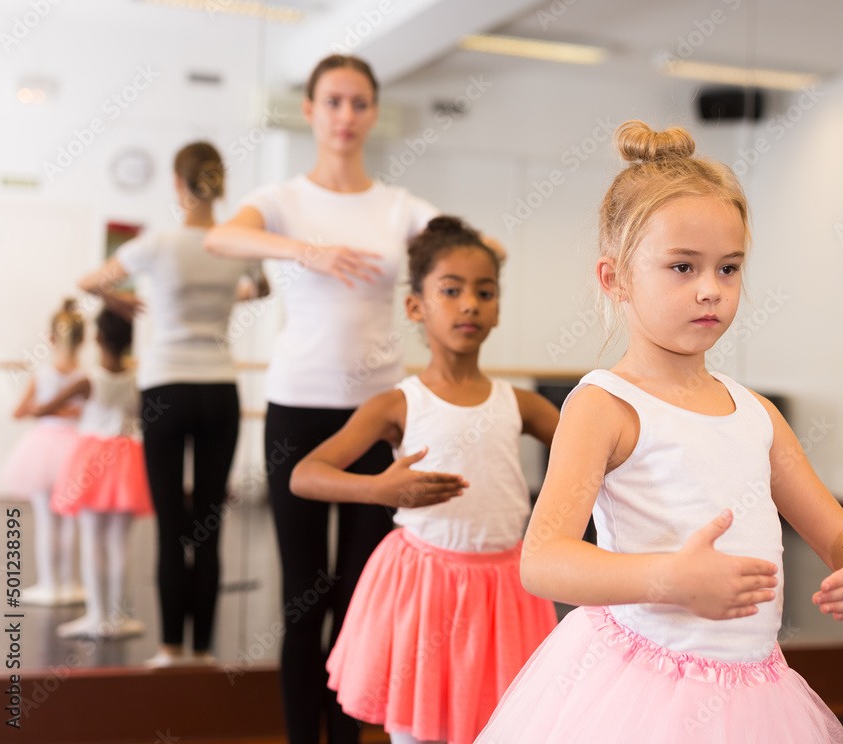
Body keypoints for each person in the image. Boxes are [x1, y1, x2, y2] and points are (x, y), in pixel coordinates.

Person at [474, 122, 843, 744]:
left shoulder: (756, 412)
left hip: (753, 694)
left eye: (728, 268)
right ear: (615, 279)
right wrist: (667, 579)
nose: (711, 289)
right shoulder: (606, 406)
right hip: (639, 689)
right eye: (682, 266)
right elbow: (544, 561)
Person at [204, 54, 444, 744]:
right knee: (302, 596)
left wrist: (445, 278)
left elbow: (471, 248)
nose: (346, 116)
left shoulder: (399, 206)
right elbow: (222, 237)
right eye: (333, 102)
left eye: (359, 103)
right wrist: (303, 251)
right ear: (309, 110)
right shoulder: (284, 199)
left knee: (360, 596)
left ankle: (347, 737)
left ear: (373, 113)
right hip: (297, 412)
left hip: (378, 413)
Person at [290, 216, 559, 744]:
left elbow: (600, 450)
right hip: (425, 587)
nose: (469, 305)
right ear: (416, 306)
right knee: (418, 730)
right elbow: (305, 474)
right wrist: (377, 489)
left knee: (502, 725)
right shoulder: (396, 404)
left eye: (484, 292)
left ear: (498, 308)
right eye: (451, 291)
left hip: (505, 590)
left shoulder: (520, 404)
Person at [77, 142, 265, 664]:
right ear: (220, 183)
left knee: (169, 526)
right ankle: (203, 651)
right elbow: (263, 287)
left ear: (178, 185)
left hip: (165, 388)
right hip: (220, 389)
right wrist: (226, 298)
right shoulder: (237, 245)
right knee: (209, 525)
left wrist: (122, 300)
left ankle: (169, 649)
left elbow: (88, 281)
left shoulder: (156, 243)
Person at [48, 309, 152, 639]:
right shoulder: (139, 378)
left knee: (93, 538)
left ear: (98, 338)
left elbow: (44, 407)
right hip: (126, 457)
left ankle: (97, 616)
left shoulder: (88, 378)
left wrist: (75, 409)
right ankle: (116, 619)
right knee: (119, 543)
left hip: (92, 458)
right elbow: (145, 416)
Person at [0, 298, 86, 606]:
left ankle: (51, 585)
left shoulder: (44, 374)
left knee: (47, 521)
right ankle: (70, 583)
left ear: (50, 338)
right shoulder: (85, 376)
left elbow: (19, 412)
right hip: (76, 449)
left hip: (44, 449)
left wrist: (43, 409)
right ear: (83, 339)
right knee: (71, 519)